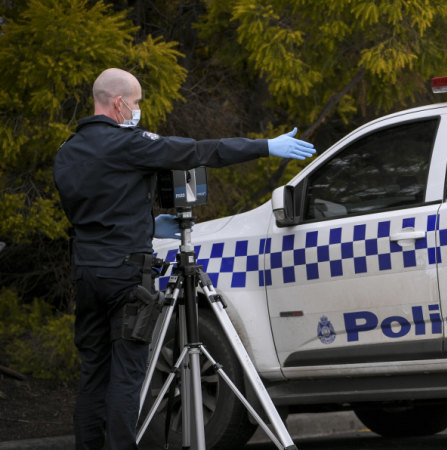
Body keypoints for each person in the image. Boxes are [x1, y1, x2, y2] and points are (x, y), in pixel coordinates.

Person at [53, 68, 315, 450]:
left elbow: (92, 210)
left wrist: (146, 223)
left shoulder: (67, 151)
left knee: (93, 373)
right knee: (126, 376)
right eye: (136, 102)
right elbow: (199, 151)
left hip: (87, 273)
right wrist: (264, 146)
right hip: (126, 277)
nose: (138, 110)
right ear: (119, 103)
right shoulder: (130, 143)